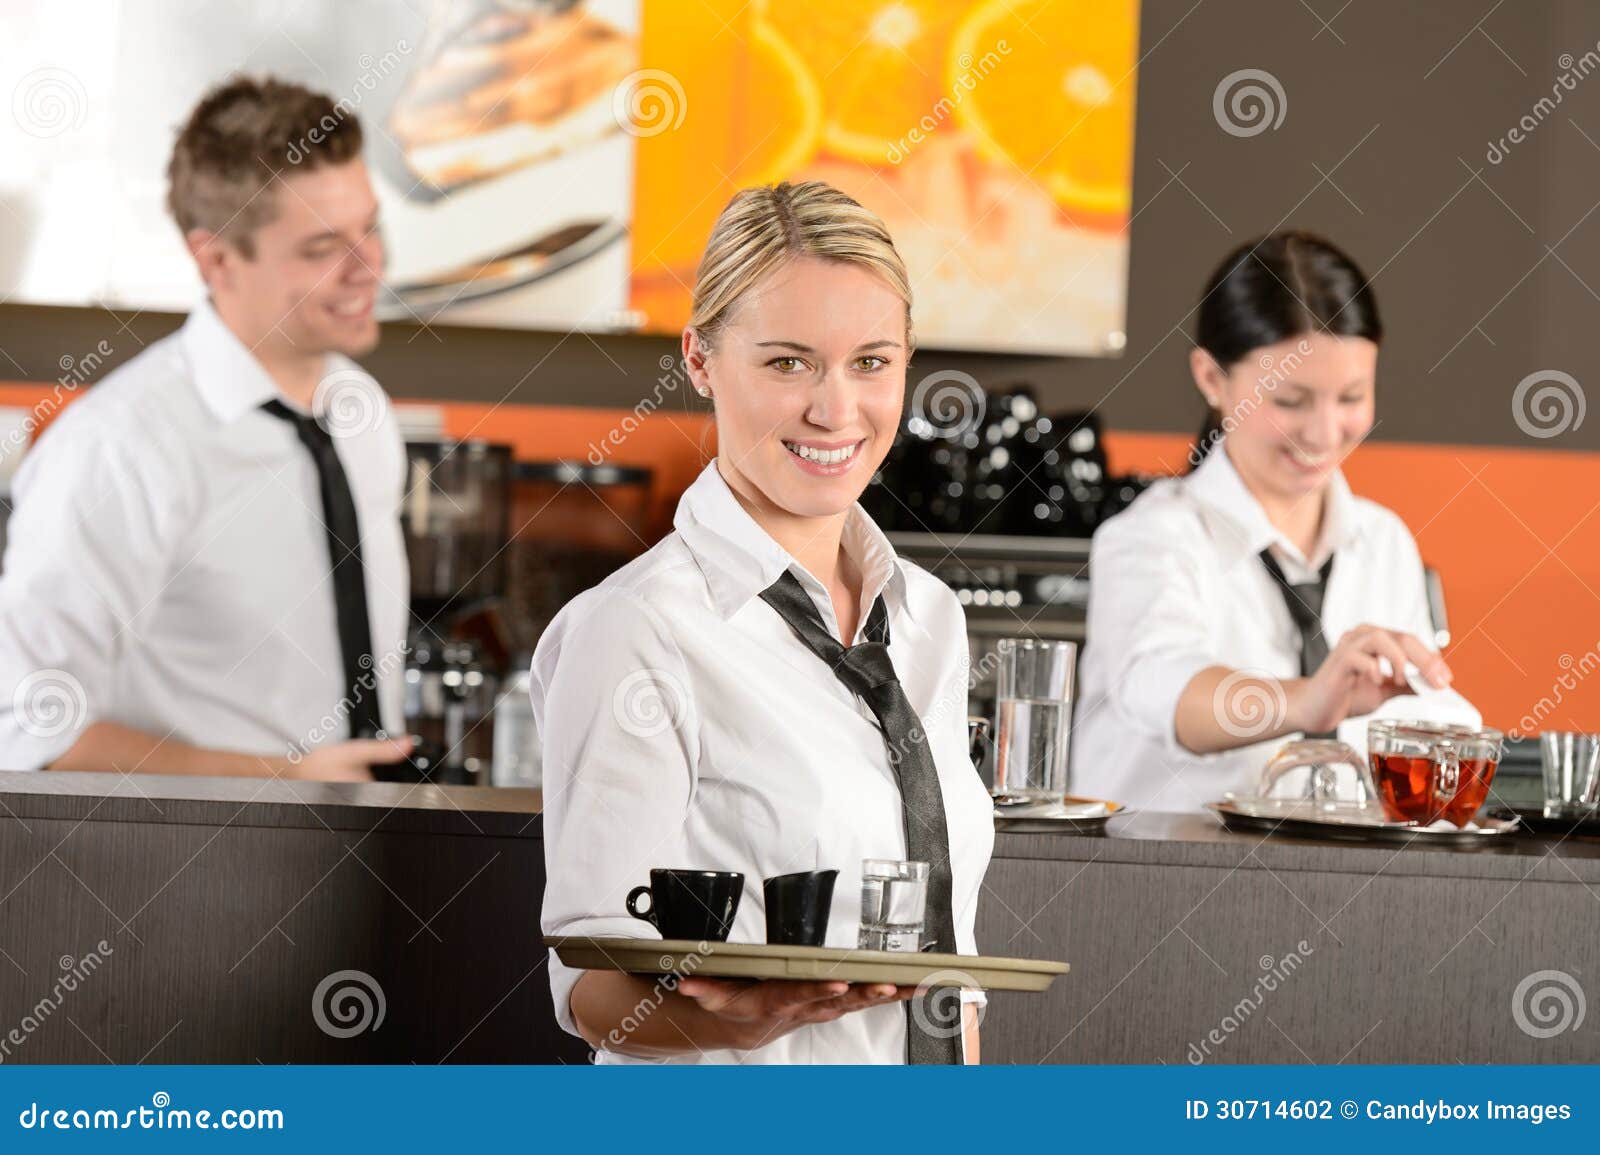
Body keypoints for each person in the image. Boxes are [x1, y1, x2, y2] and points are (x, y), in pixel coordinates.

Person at [533, 181, 995, 1064]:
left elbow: (951, 955)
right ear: (700, 360)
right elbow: (589, 986)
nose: (836, 410)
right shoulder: (636, 629)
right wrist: (734, 1019)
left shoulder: (929, 618)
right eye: (788, 363)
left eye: (871, 362)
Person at [0, 77, 412, 781]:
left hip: (367, 839)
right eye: (322, 248)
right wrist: (284, 780)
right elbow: (24, 729)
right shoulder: (119, 446)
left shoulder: (360, 408)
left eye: (370, 228)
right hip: (193, 849)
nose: (367, 267)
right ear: (216, 259)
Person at [1073, 231, 1479, 813]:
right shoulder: (1151, 537)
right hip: (1162, 863)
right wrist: (1308, 700)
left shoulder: (1383, 540)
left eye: (1351, 398)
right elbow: (1165, 691)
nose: (1323, 433)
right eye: (1290, 401)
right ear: (1212, 378)